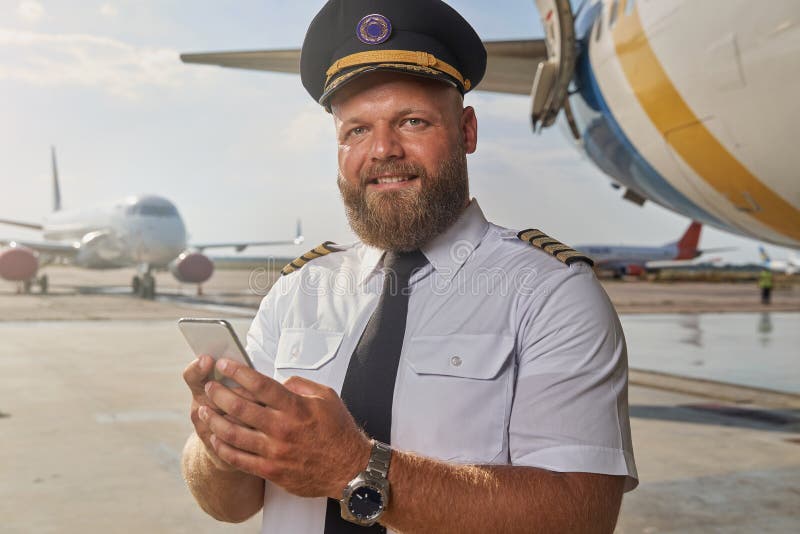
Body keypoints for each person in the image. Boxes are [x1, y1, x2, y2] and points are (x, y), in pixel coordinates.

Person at [181, 1, 638, 533]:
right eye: (356, 130)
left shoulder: (550, 293)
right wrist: (218, 442)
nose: (381, 150)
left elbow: (580, 515)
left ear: (467, 131)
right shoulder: (296, 291)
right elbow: (229, 505)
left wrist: (353, 468)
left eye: (412, 121)